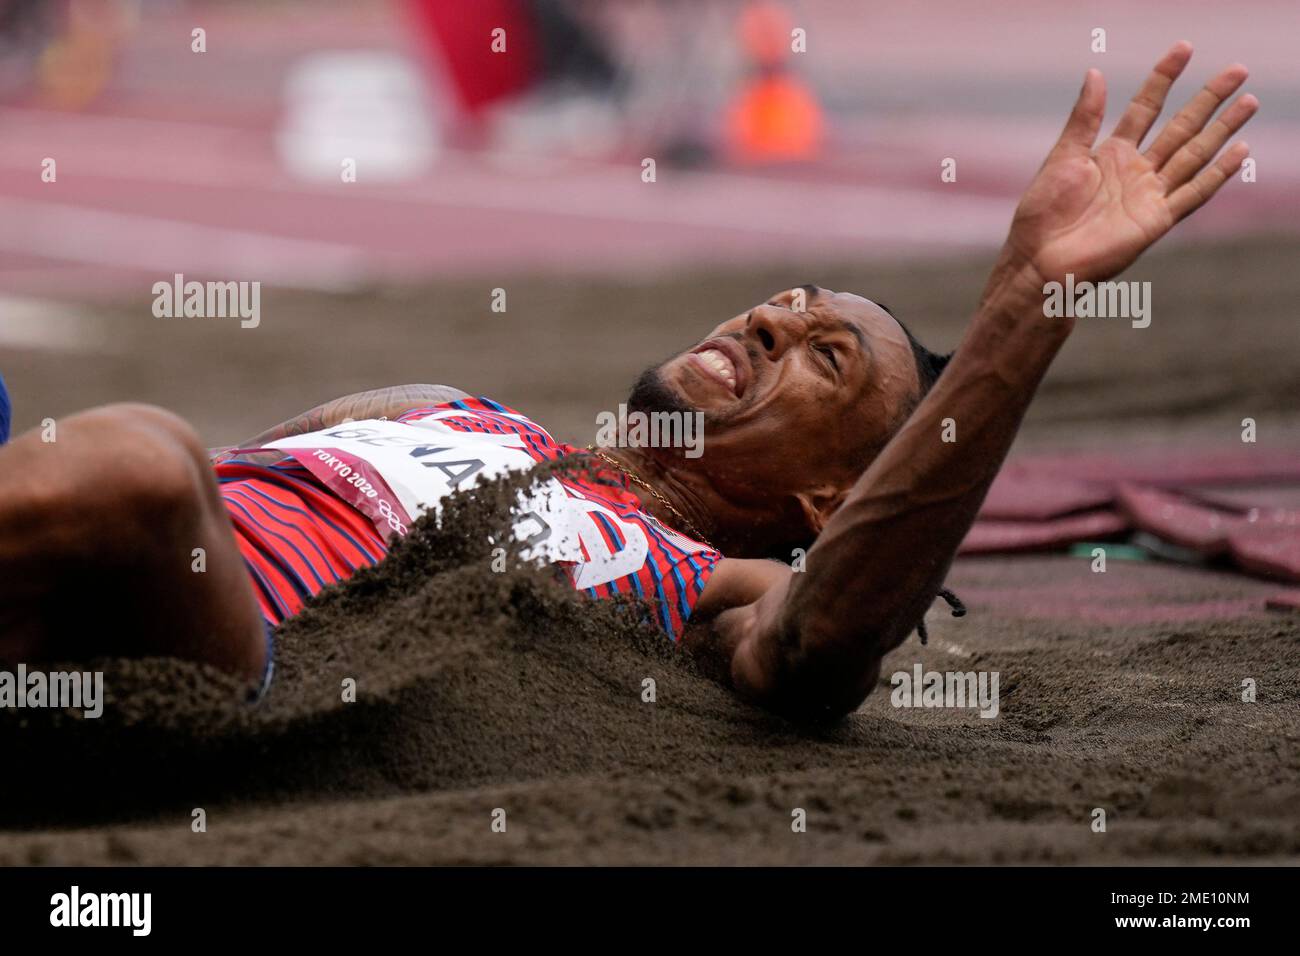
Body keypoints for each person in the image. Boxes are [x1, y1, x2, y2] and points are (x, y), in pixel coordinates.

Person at [0, 44, 1256, 718]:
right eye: (793, 302)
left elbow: (826, 644)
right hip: (56, 573)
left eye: (824, 357)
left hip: (198, 670)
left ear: (828, 497)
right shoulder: (446, 404)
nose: (773, 321)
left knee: (141, 467)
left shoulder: (706, 577)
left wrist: (1023, 309)